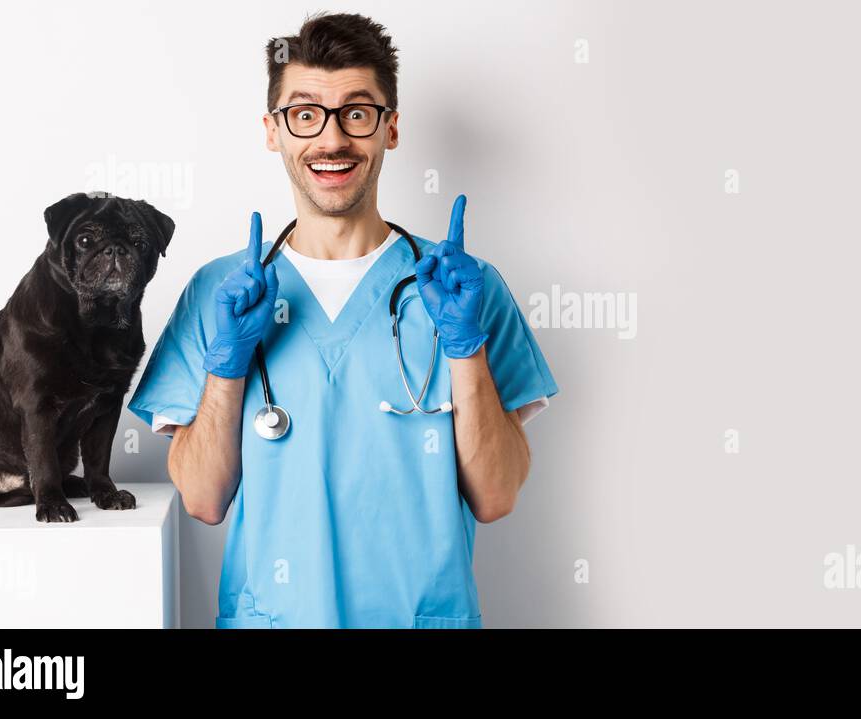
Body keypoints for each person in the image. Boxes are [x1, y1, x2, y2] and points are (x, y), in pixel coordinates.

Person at [127, 12, 558, 629]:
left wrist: (465, 347)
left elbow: (496, 497)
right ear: (273, 131)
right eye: (305, 115)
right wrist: (227, 367)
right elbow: (202, 499)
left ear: (391, 128)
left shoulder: (465, 286)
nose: (331, 141)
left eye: (356, 113)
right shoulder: (221, 292)